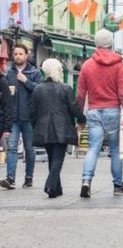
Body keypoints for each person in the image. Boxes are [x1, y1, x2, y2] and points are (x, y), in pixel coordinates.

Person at [77, 28, 123, 198]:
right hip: (113, 111)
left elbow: (80, 93)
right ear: (111, 43)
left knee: (93, 147)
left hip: (94, 111)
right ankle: (117, 185)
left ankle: (86, 181)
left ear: (95, 43)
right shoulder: (118, 64)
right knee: (115, 150)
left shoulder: (87, 65)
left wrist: (79, 115)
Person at [30, 59, 85, 198]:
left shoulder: (37, 89)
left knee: (52, 158)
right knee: (57, 159)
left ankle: (56, 190)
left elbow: (32, 111)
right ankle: (50, 184)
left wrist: (34, 125)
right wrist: (81, 118)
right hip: (62, 128)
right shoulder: (65, 88)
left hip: (43, 128)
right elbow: (73, 108)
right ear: (58, 70)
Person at [0, 45, 43, 190]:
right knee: (12, 148)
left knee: (29, 149)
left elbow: (40, 91)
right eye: (15, 54)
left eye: (20, 54)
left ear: (26, 55)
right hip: (13, 117)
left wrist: (26, 81)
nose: (17, 56)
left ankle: (29, 177)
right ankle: (10, 178)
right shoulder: (8, 73)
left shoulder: (34, 72)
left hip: (29, 117)